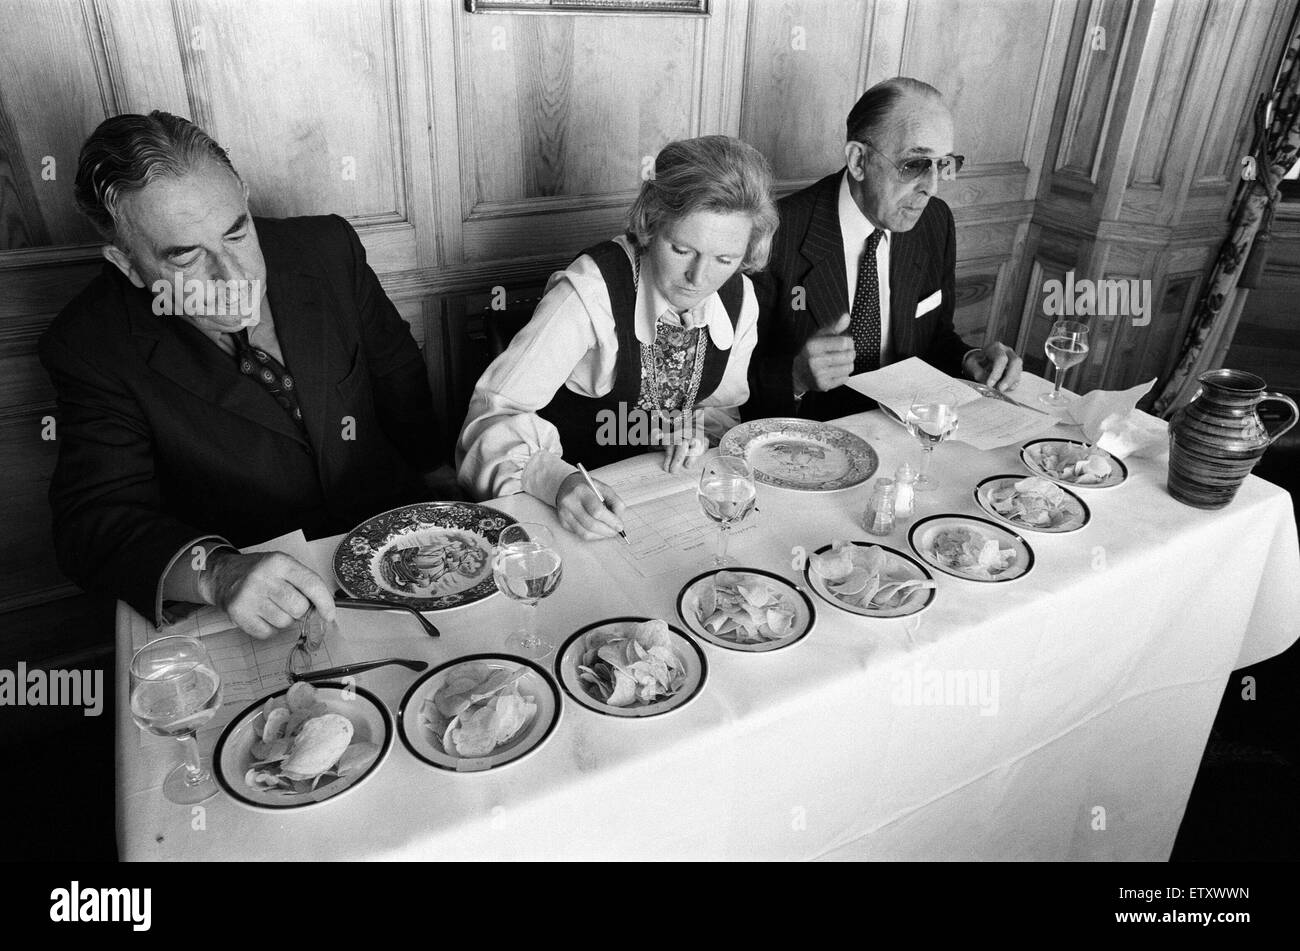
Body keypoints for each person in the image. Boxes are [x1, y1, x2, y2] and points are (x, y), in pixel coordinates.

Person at [40, 111, 448, 638]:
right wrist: (218, 575)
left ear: (245, 199)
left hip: (399, 545)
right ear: (127, 263)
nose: (235, 280)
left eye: (237, 232)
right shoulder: (90, 345)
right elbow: (92, 525)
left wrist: (440, 476)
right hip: (263, 603)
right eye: (186, 256)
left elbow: (397, 371)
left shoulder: (326, 248)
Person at [458, 135, 777, 540]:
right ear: (650, 222)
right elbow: (487, 423)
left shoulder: (739, 297)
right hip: (564, 513)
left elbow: (718, 412)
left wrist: (691, 431)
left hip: (662, 504)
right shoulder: (589, 292)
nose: (699, 279)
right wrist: (557, 483)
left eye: (725, 260)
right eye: (682, 249)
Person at [745, 77, 1023, 422]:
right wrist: (795, 378)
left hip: (904, 433)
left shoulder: (934, 222)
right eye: (915, 164)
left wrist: (971, 359)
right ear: (859, 160)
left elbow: (935, 338)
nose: (932, 188)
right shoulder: (776, 234)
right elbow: (731, 383)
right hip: (805, 440)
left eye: (944, 165)